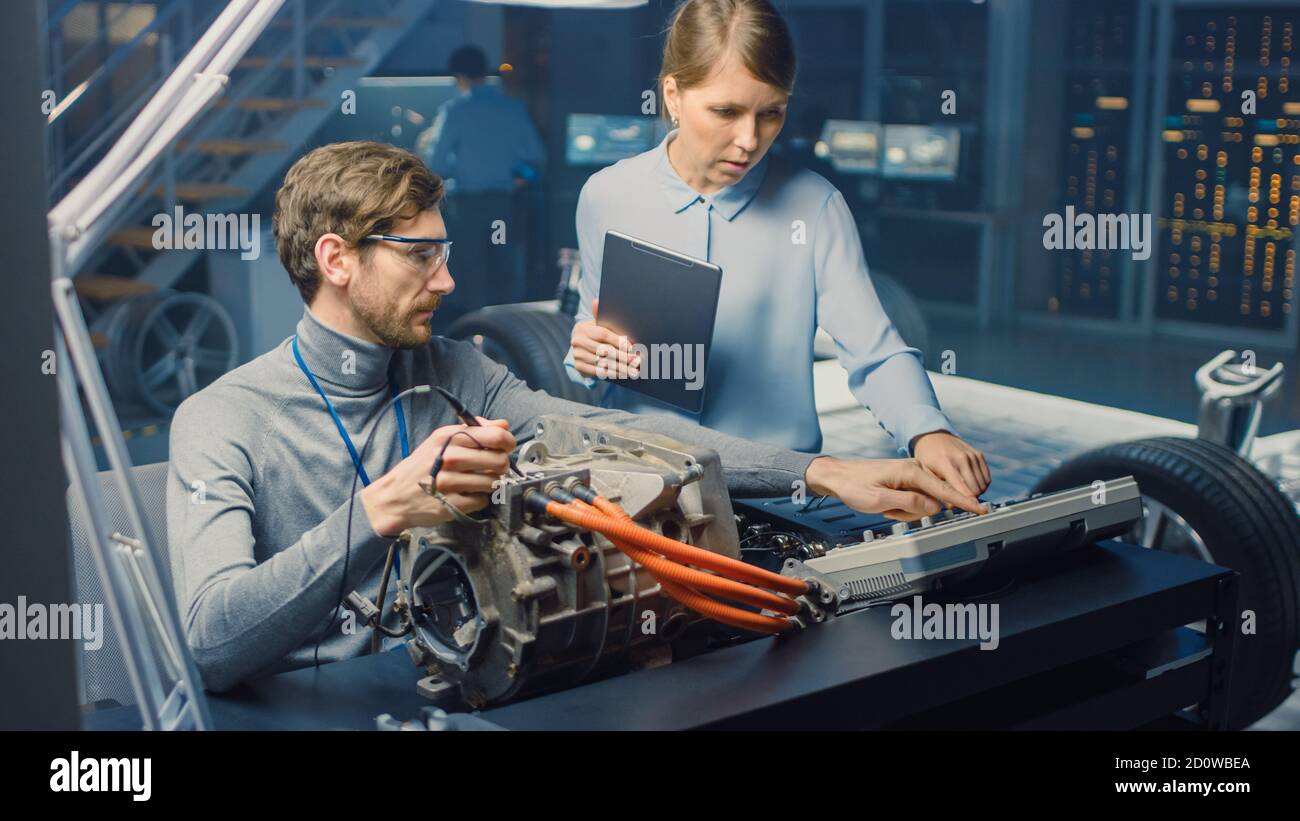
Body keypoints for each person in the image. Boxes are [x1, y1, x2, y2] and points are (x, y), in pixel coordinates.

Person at [165, 141, 985, 692]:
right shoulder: (222, 420)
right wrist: (380, 510)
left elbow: (617, 437)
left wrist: (819, 472)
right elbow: (210, 641)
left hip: (478, 685)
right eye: (421, 255)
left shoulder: (455, 368)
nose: (447, 281)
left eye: (444, 252)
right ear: (336, 259)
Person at [565, 0, 990, 500]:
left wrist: (926, 429)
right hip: (642, 486)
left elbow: (875, 353)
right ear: (673, 95)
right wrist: (586, 353)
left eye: (771, 113)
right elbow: (591, 339)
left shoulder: (815, 208)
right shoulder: (606, 195)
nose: (749, 139)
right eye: (726, 112)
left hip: (776, 493)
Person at [419, 45, 544, 324]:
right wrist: (515, 177)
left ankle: (475, 333)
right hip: (504, 202)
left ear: (458, 76)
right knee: (505, 268)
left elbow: (436, 162)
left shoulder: (455, 111)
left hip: (468, 204)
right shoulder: (512, 108)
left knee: (471, 270)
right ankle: (507, 333)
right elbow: (535, 156)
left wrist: (459, 170)